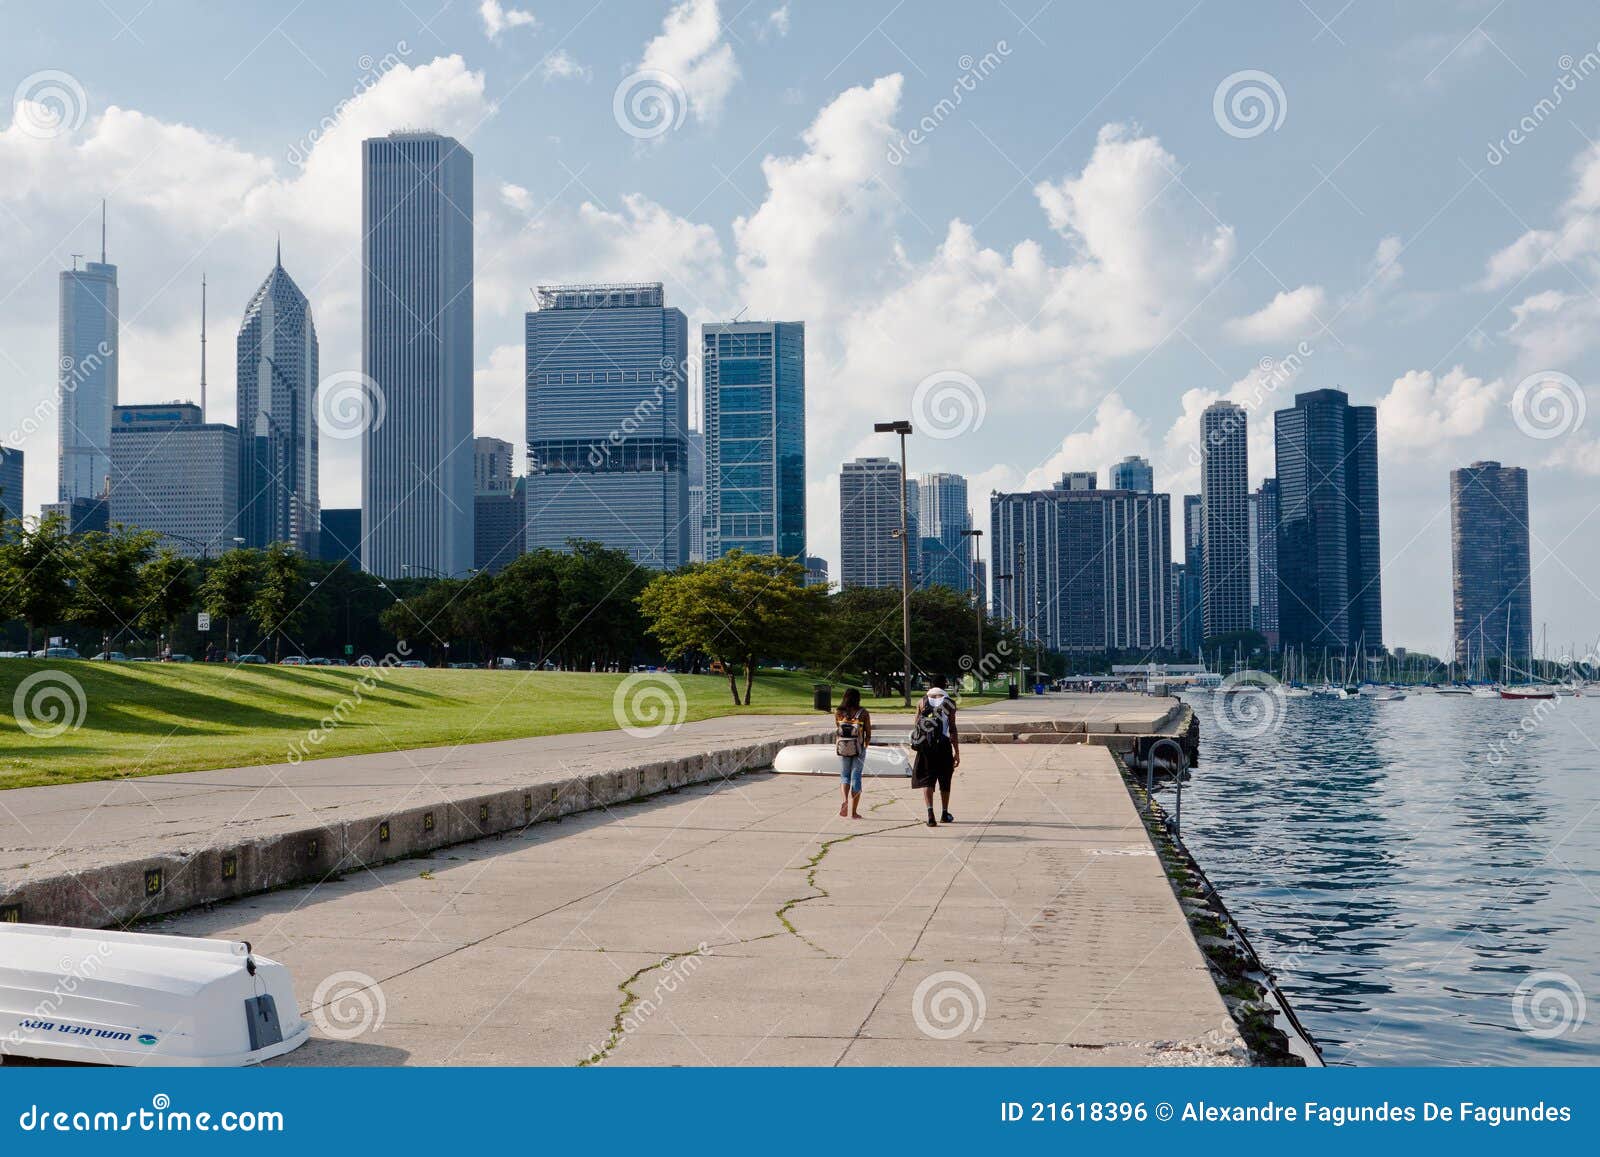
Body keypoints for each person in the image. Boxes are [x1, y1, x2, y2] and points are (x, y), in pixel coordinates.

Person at [910, 676, 960, 827]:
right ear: (945, 685)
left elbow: (916, 726)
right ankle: (945, 813)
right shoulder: (950, 703)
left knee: (927, 779)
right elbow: (952, 729)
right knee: (945, 779)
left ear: (930, 686)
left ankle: (930, 813)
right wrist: (956, 752)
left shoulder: (921, 702)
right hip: (943, 745)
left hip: (926, 746)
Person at [834, 688, 872, 818]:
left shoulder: (838, 712)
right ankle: (854, 812)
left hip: (843, 747)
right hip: (858, 748)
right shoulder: (863, 713)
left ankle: (844, 800)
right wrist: (864, 746)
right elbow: (868, 733)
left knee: (845, 775)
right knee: (856, 777)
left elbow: (837, 728)